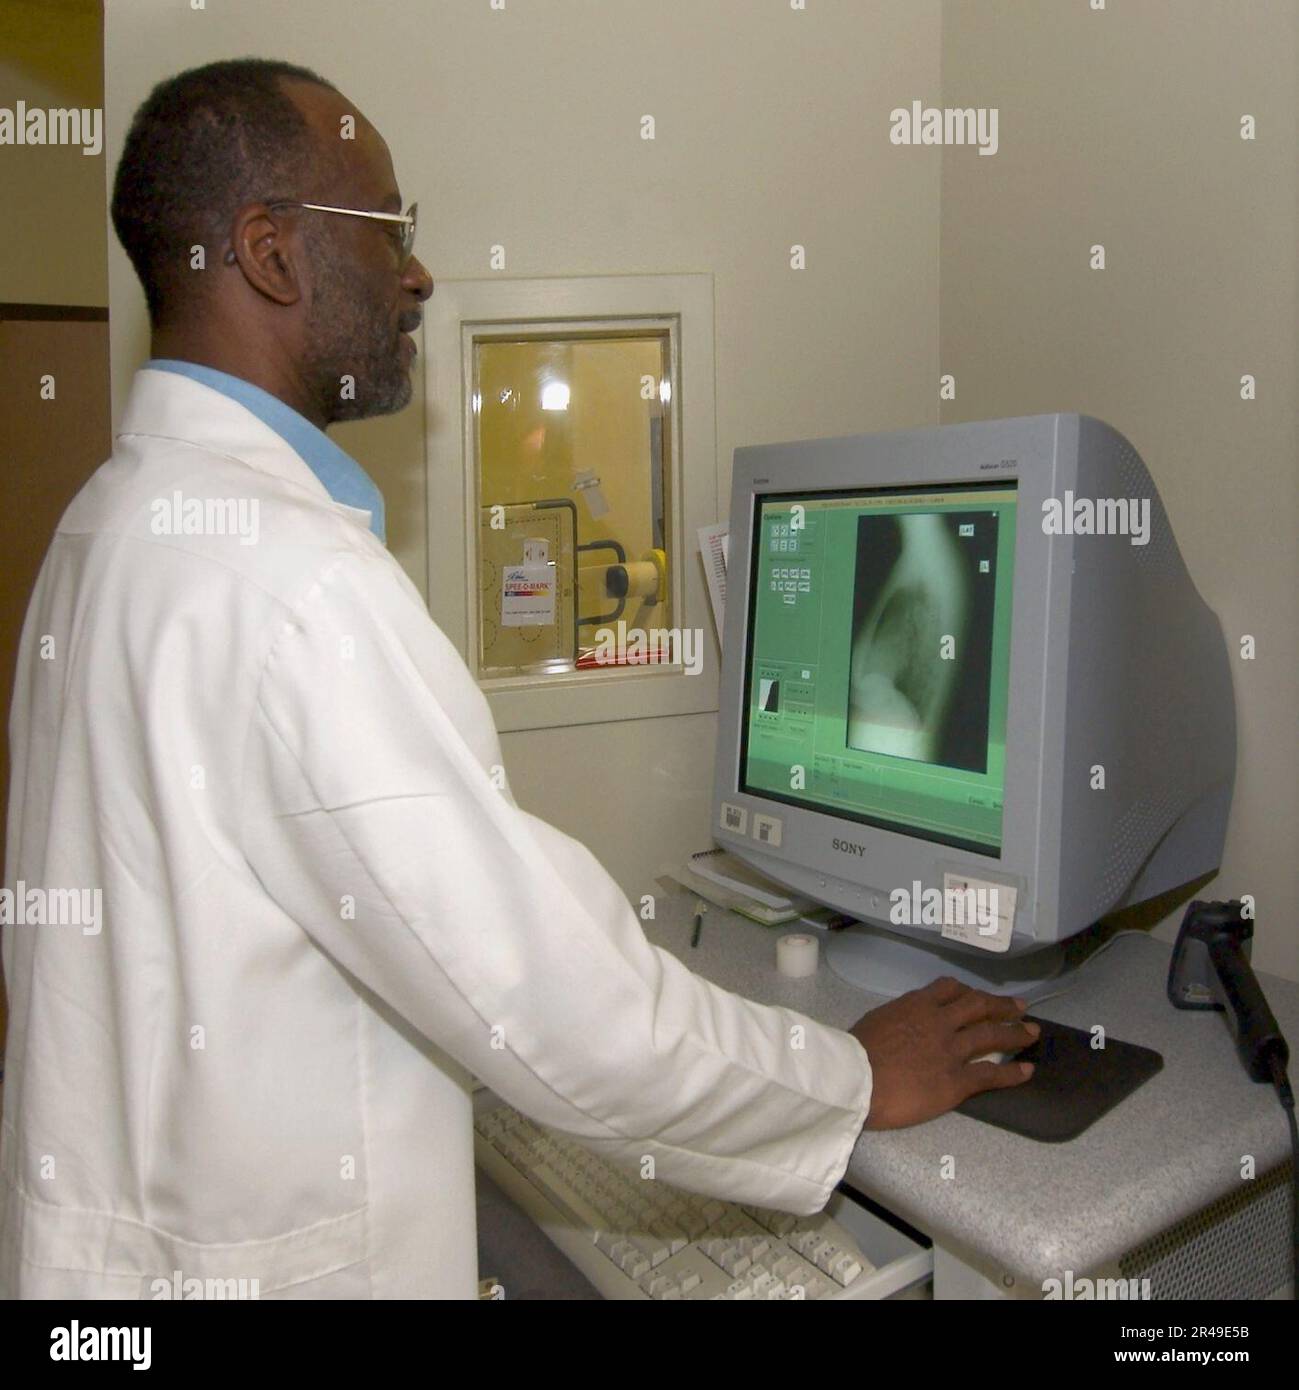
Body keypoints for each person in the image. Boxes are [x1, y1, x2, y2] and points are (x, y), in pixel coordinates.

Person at [0, 58, 1037, 1300]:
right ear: (270, 255)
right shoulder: (288, 586)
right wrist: (856, 1079)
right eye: (394, 229)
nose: (420, 272)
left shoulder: (106, 525)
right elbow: (557, 1009)